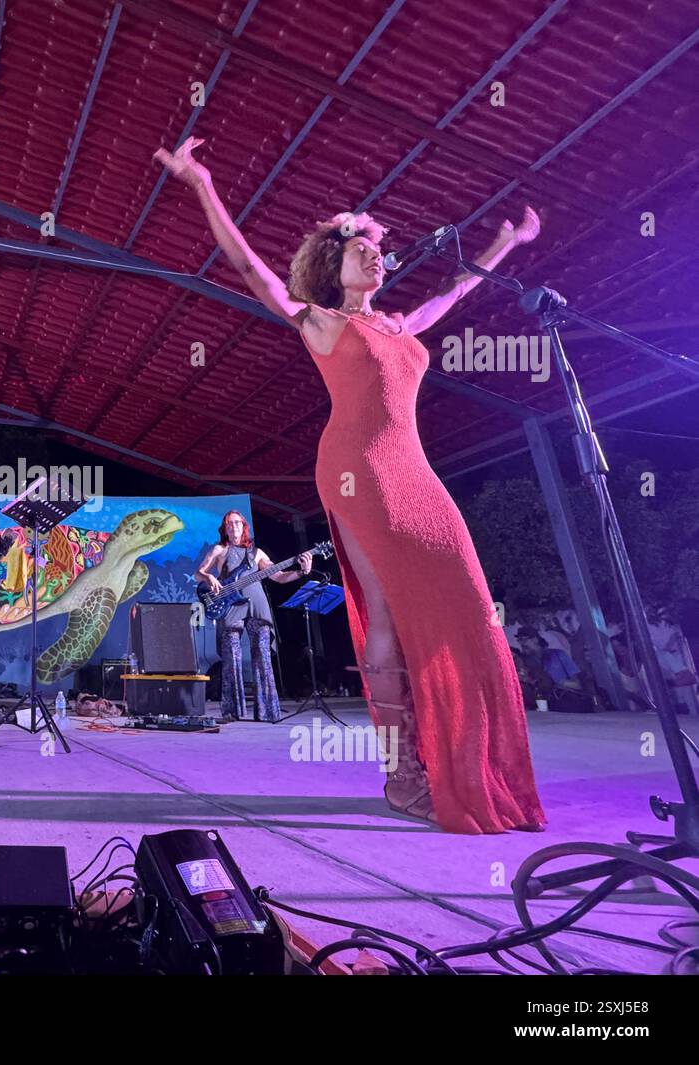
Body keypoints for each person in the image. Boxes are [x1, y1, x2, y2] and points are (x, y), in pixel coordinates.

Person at [156, 137, 545, 833]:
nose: (372, 251)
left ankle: (462, 756)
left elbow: (455, 292)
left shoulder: (397, 323)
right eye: (358, 245)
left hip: (417, 472)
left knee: (467, 605)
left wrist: (504, 244)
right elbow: (251, 269)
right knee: (390, 619)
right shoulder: (323, 323)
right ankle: (403, 773)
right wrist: (201, 183)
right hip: (361, 471)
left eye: (373, 245)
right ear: (332, 267)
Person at [196, 510, 311, 721]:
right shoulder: (219, 550)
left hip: (257, 606)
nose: (233, 527)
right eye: (229, 524)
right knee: (232, 658)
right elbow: (199, 572)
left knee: (263, 658)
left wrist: (301, 572)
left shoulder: (256, 553)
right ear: (224, 529)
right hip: (231, 606)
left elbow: (278, 576)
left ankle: (267, 712)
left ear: (244, 526)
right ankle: (233, 711)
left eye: (237, 523)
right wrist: (208, 577)